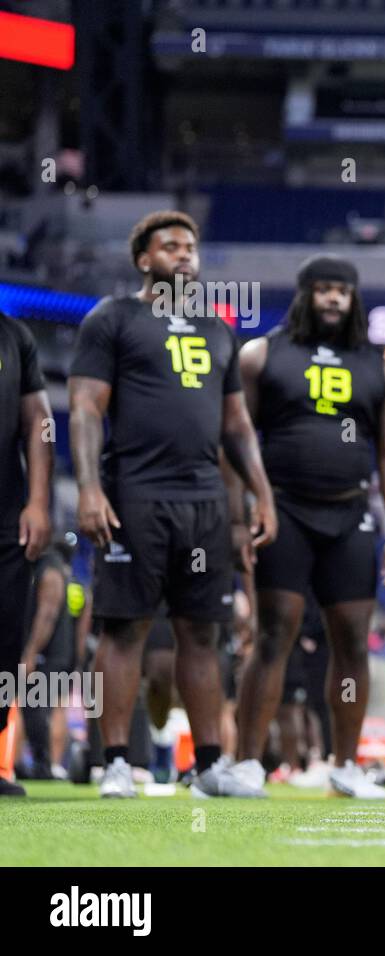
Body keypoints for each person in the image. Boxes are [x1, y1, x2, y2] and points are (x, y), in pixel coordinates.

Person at [69, 210, 277, 799]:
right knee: (124, 630)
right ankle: (115, 762)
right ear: (144, 259)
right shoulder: (112, 318)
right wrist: (89, 488)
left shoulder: (216, 328)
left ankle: (208, 766)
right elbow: (84, 408)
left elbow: (237, 426)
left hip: (205, 502)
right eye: (170, 247)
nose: (184, 255)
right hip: (134, 495)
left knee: (202, 633)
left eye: (190, 247)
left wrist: (260, 494)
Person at [232, 254, 385, 799]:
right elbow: (235, 439)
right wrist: (243, 516)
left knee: (353, 641)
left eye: (343, 290)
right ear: (305, 294)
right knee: (272, 635)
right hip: (282, 510)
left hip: (351, 513)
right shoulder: (262, 354)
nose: (334, 299)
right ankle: (245, 765)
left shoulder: (382, 369)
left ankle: (345, 767)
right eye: (324, 289)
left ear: (354, 299)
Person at [0, 308, 52, 797]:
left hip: (6, 514)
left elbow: (39, 420)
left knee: (4, 635)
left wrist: (38, 501)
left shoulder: (14, 335)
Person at [19, 533, 76, 781]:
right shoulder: (55, 569)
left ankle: (45, 763)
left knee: (36, 709)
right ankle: (45, 763)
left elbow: (47, 614)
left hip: (47, 655)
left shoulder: (49, 568)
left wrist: (30, 653)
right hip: (58, 654)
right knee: (48, 708)